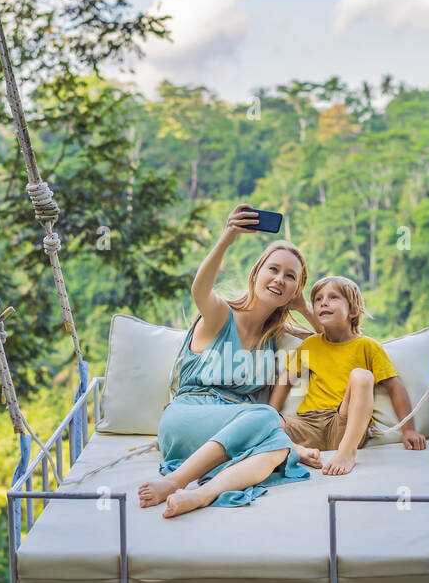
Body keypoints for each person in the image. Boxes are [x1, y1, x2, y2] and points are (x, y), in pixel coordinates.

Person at [137, 204, 323, 518]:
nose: (279, 279)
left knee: (278, 446)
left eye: (290, 277)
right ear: (257, 273)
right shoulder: (220, 314)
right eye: (273, 269)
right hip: (188, 419)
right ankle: (173, 482)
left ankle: (201, 495)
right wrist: (227, 238)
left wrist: (305, 309)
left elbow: (334, 342)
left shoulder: (274, 335)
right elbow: (200, 290)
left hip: (235, 431)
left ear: (295, 290)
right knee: (267, 417)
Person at [269, 275, 426, 476]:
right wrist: (270, 414)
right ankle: (299, 451)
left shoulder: (367, 346)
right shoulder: (310, 345)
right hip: (308, 423)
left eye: (333, 297)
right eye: (318, 299)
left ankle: (347, 452)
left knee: (362, 376)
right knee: (260, 420)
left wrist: (408, 429)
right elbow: (285, 380)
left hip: (344, 422)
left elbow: (395, 387)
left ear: (353, 310)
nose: (323, 302)